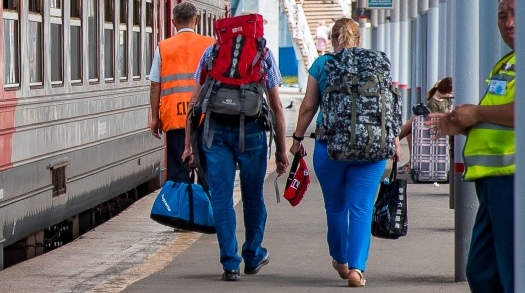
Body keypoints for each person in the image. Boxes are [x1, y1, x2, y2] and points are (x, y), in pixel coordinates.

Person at [289, 17, 403, 288]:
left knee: (336, 207)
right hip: (372, 148)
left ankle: (340, 259)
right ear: (359, 39)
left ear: (332, 40)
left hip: (330, 148)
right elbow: (386, 106)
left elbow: (307, 107)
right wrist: (395, 141)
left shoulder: (322, 64)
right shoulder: (377, 62)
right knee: (362, 208)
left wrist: (296, 139)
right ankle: (356, 269)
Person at [182, 25, 290, 282]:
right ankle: (253, 256)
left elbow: (194, 103)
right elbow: (276, 105)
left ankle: (230, 264)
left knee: (221, 198)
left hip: (215, 132)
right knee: (253, 196)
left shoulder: (212, 51)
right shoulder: (263, 54)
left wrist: (188, 146)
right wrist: (282, 151)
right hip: (252, 132)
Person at [426, 0, 515, 293]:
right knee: (481, 270)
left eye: (516, 14)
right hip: (491, 181)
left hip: (515, 179)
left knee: (512, 272)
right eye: (502, 15)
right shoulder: (506, 65)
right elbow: (495, 115)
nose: (509, 23)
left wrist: (476, 114)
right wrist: (463, 124)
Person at [149, 2, 214, 184]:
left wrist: (155, 118)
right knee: (206, 172)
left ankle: (181, 211)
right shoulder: (210, 45)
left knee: (178, 174)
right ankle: (204, 210)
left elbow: (155, 84)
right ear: (197, 20)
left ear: (173, 22)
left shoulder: (163, 47)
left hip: (176, 119)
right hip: (205, 117)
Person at [397, 76, 454, 160]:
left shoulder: (446, 99)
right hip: (440, 127)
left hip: (445, 124)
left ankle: (395, 140)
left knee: (412, 121)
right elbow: (434, 119)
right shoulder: (433, 103)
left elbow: (449, 111)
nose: (451, 95)